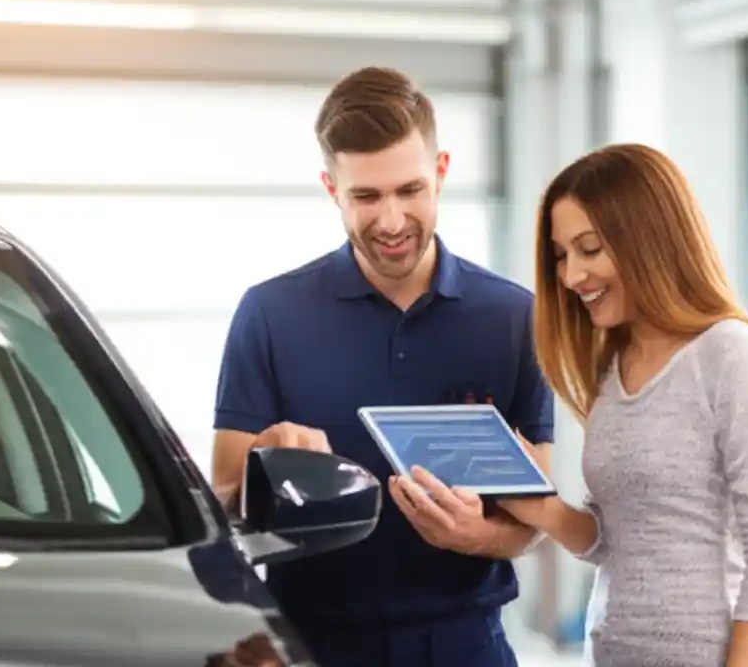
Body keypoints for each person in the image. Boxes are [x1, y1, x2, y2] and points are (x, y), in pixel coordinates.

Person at [210, 66, 555, 667]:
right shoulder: (269, 313)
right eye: (366, 196)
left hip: (465, 648)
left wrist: (478, 537)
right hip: (311, 647)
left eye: (410, 191)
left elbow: (535, 518)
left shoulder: (514, 318)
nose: (392, 221)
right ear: (331, 188)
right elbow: (223, 508)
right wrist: (265, 457)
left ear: (441, 173)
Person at [495, 143, 748, 666]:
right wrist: (539, 506)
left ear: (649, 239)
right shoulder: (613, 368)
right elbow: (618, 539)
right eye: (561, 256)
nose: (571, 277)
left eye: (589, 249)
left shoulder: (727, 352)